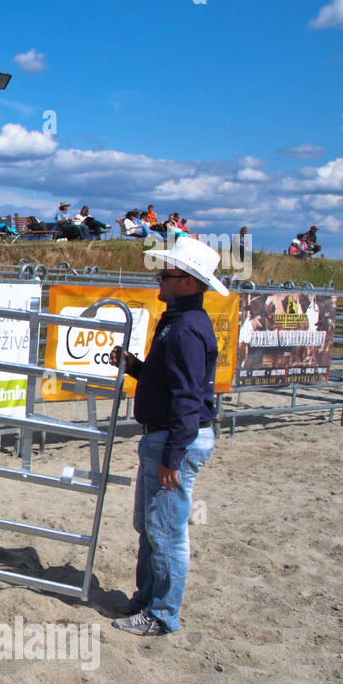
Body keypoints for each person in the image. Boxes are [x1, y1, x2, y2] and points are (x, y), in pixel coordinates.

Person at [108, 236, 227, 636]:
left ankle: (161, 613)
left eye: (166, 274)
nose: (159, 279)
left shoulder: (184, 330)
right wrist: (135, 367)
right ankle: (149, 598)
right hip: (169, 436)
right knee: (151, 526)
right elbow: (173, 385)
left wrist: (172, 456)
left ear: (188, 283)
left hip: (175, 439)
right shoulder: (180, 324)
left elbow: (188, 397)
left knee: (165, 531)